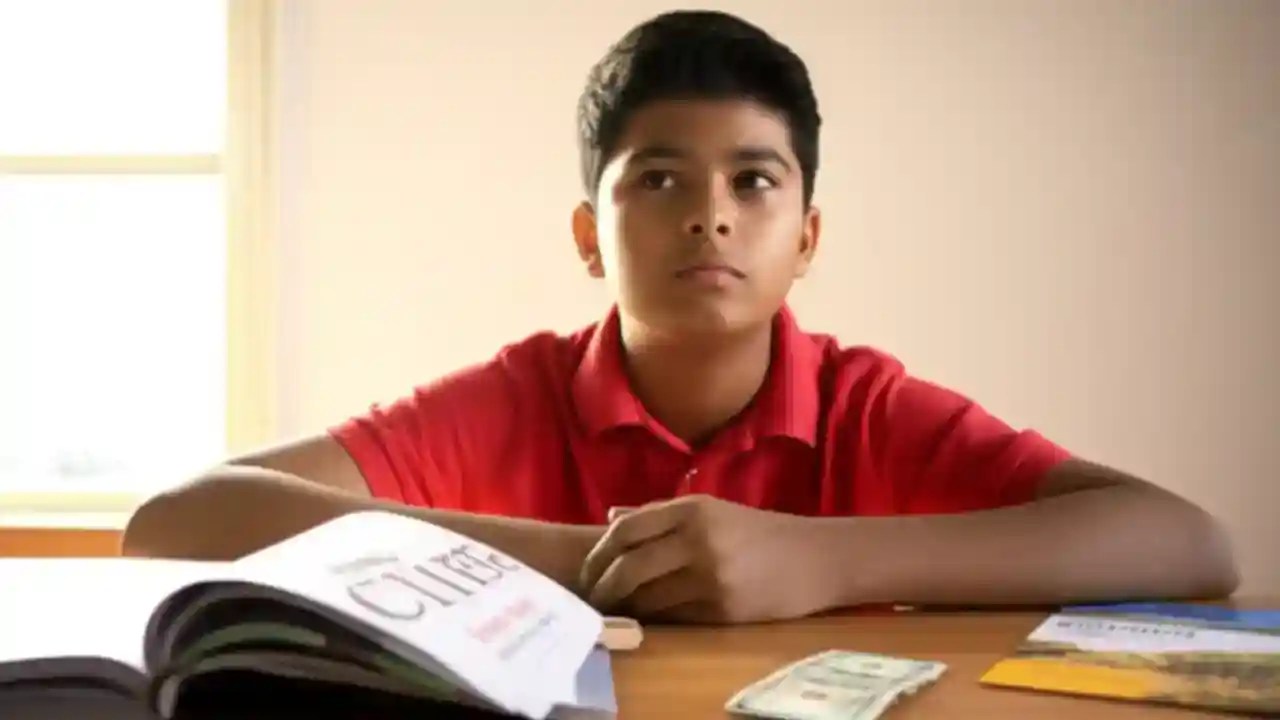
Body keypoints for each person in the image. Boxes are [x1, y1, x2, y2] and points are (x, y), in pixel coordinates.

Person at [123, 10, 1239, 624]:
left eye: (753, 182)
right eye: (656, 180)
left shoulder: (863, 406)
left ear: (806, 239)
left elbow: (1188, 543)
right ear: (584, 235)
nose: (709, 216)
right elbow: (177, 521)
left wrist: (818, 564)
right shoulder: (516, 396)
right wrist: (588, 562)